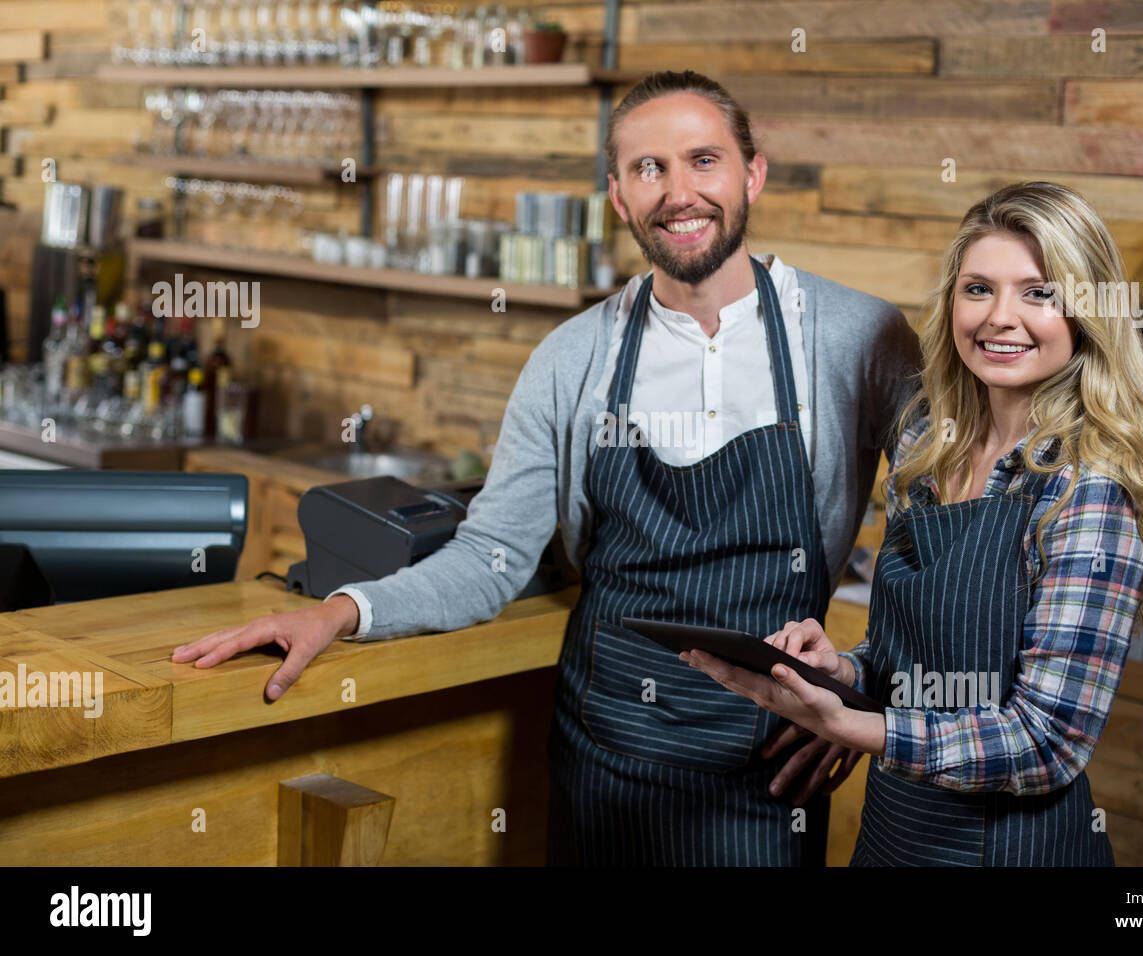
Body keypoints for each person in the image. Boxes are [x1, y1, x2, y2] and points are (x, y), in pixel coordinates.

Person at [171, 70, 922, 866]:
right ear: (619, 196)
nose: (679, 191)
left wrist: (868, 684)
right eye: (649, 168)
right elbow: (491, 554)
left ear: (753, 174)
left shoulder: (857, 337)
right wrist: (341, 610)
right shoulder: (572, 358)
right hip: (604, 751)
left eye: (704, 161)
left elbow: (940, 532)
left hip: (769, 767)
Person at [686, 181, 1143, 866]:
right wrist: (838, 674)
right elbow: (906, 668)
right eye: (979, 289)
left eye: (1039, 293)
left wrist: (865, 728)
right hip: (896, 836)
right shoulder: (927, 452)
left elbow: (1046, 743)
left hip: (1010, 850)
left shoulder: (1086, 491)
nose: (1001, 317)